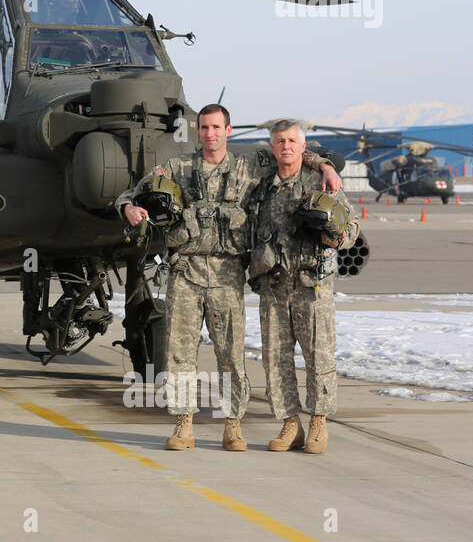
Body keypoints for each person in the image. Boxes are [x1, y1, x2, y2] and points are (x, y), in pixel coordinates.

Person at [117, 104, 341, 452]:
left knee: (231, 357)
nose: (210, 134)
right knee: (179, 354)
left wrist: (324, 166)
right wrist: (129, 208)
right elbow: (136, 192)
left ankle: (232, 427)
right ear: (198, 131)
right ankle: (183, 425)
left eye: (216, 127)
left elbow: (291, 153)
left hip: (227, 276)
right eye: (204, 128)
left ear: (229, 130)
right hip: (185, 274)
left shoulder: (250, 164)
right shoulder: (178, 167)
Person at [249, 119, 359, 455]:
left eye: (292, 140)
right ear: (272, 146)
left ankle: (318, 425)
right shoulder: (261, 182)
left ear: (303, 146)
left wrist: (337, 234)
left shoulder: (322, 182)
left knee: (318, 357)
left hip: (313, 287)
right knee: (276, 360)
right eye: (280, 140)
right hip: (274, 287)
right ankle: (289, 425)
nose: (286, 146)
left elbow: (351, 227)